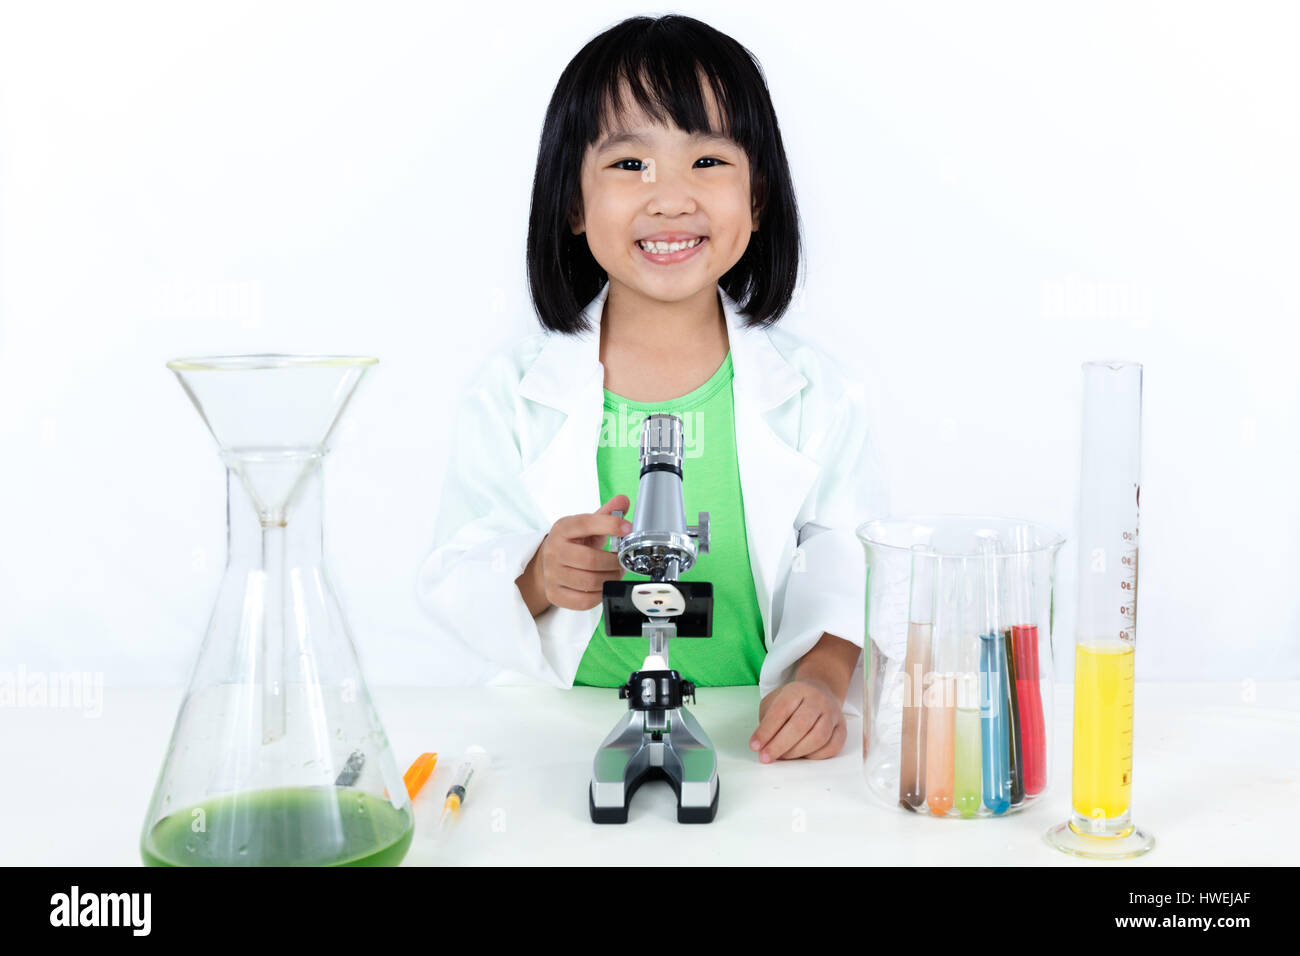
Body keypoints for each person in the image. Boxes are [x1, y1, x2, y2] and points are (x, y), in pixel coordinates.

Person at [418, 15, 888, 762]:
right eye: (629, 164)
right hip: (564, 732)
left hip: (752, 734)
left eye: (707, 161)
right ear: (572, 204)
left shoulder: (816, 396)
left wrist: (824, 687)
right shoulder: (511, 396)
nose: (670, 199)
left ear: (757, 196)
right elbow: (458, 571)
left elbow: (846, 565)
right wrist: (541, 571)